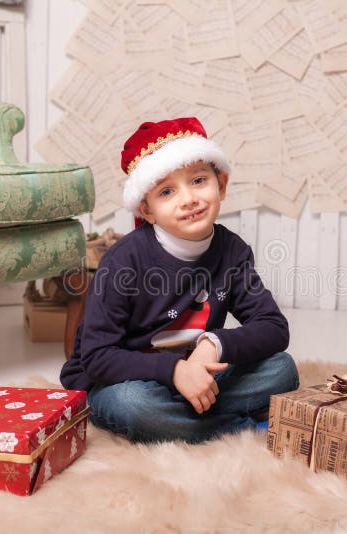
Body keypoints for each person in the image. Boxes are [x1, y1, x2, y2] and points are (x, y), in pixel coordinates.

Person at [60, 117, 299, 443]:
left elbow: (273, 327)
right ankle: (232, 427)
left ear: (222, 185)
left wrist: (212, 346)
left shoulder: (232, 252)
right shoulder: (123, 262)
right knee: (132, 405)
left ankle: (185, 417)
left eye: (199, 180)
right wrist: (174, 372)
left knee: (281, 369)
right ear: (148, 209)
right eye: (167, 191)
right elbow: (97, 357)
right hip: (127, 379)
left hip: (196, 367)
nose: (188, 199)